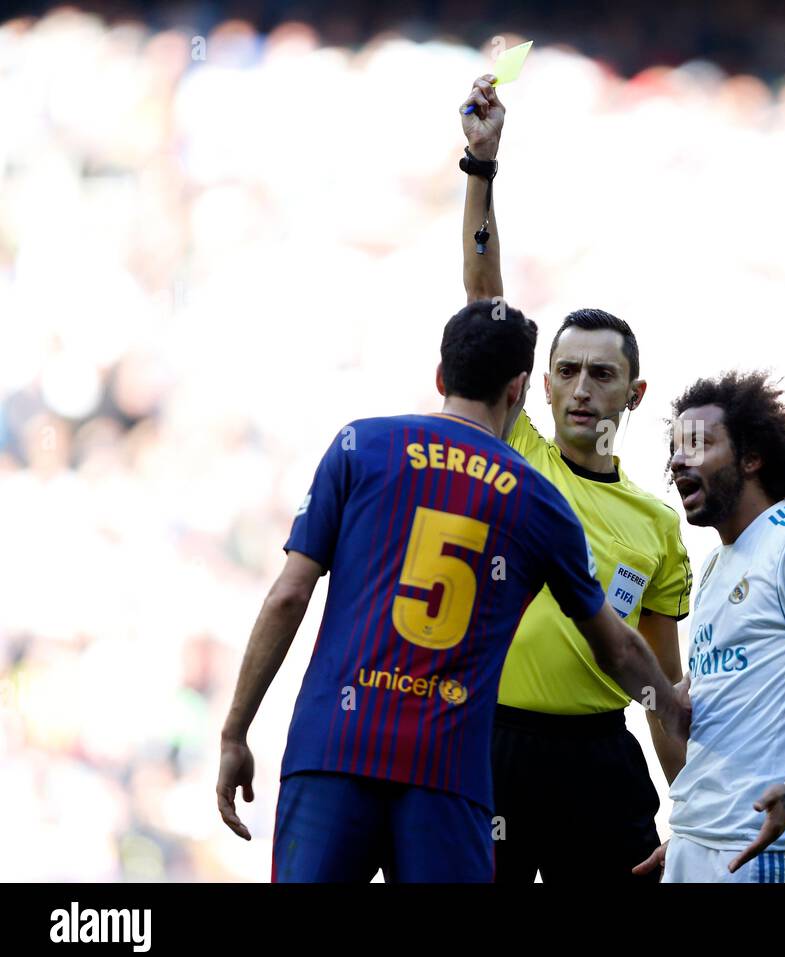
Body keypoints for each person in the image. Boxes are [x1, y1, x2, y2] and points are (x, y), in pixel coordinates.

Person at [215, 301, 689, 882]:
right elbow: (618, 649)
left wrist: (235, 730)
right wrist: (675, 707)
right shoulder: (534, 496)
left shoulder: (357, 447)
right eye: (565, 373)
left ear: (441, 377)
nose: (582, 390)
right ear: (523, 389)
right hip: (448, 762)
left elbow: (288, 597)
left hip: (336, 746)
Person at [460, 75, 693, 882]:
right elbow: (482, 301)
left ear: (634, 394)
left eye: (602, 373)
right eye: (568, 370)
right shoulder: (515, 447)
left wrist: (692, 816)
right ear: (541, 385)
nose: (584, 387)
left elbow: (661, 692)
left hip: (598, 757)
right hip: (492, 742)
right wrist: (480, 167)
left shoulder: (657, 527)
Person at [635, 371, 785, 883]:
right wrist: (694, 832)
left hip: (775, 845)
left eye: (697, 445)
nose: (677, 461)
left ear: (751, 457)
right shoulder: (718, 567)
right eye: (674, 450)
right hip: (703, 840)